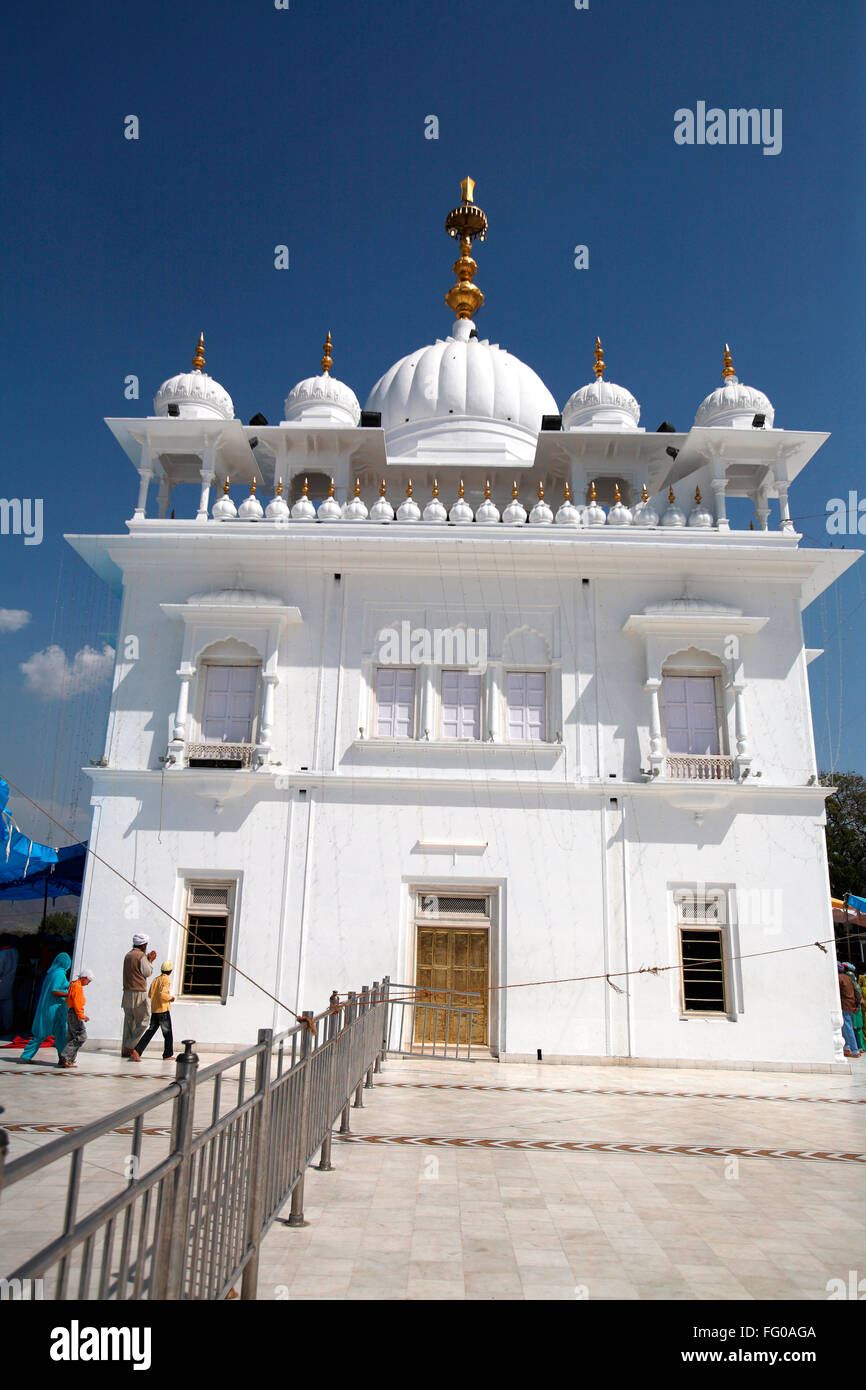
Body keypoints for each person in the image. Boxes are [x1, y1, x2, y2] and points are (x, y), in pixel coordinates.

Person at [20, 951, 72, 1062]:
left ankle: (63, 1059)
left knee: (45, 1032)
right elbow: (55, 991)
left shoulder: (52, 973)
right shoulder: (60, 974)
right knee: (59, 1033)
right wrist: (70, 994)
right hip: (54, 1008)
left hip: (50, 1007)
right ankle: (63, 1058)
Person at [122, 933, 157, 1061]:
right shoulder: (141, 956)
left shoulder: (128, 955)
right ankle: (130, 1046)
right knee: (145, 1020)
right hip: (138, 991)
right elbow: (147, 972)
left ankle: (125, 1050)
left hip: (127, 992)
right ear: (143, 945)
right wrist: (150, 961)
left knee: (129, 1021)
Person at [136, 961, 175, 1059]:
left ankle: (137, 1051)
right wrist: (171, 998)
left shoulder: (155, 980)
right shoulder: (166, 979)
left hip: (155, 1011)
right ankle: (167, 1055)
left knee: (150, 1031)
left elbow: (150, 994)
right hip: (163, 1011)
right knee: (168, 1034)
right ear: (170, 970)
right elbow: (162, 994)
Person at [58, 968, 93, 1068]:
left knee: (72, 1037)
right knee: (81, 1036)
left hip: (71, 1013)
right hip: (75, 1013)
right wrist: (82, 1016)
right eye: (88, 981)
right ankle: (65, 1057)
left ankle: (68, 1060)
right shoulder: (77, 987)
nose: (88, 983)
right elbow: (77, 1003)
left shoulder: (75, 985)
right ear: (84, 978)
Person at [837, 961, 862, 1058]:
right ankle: (847, 1048)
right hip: (851, 1005)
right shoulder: (848, 978)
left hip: (844, 1005)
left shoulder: (839, 978)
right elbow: (856, 991)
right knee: (845, 1027)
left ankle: (855, 1050)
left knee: (847, 1027)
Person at [0, 935, 19, 1033]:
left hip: (2, 981)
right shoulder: (15, 952)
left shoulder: (3, 953)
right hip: (9, 982)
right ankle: (8, 1026)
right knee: (7, 1007)